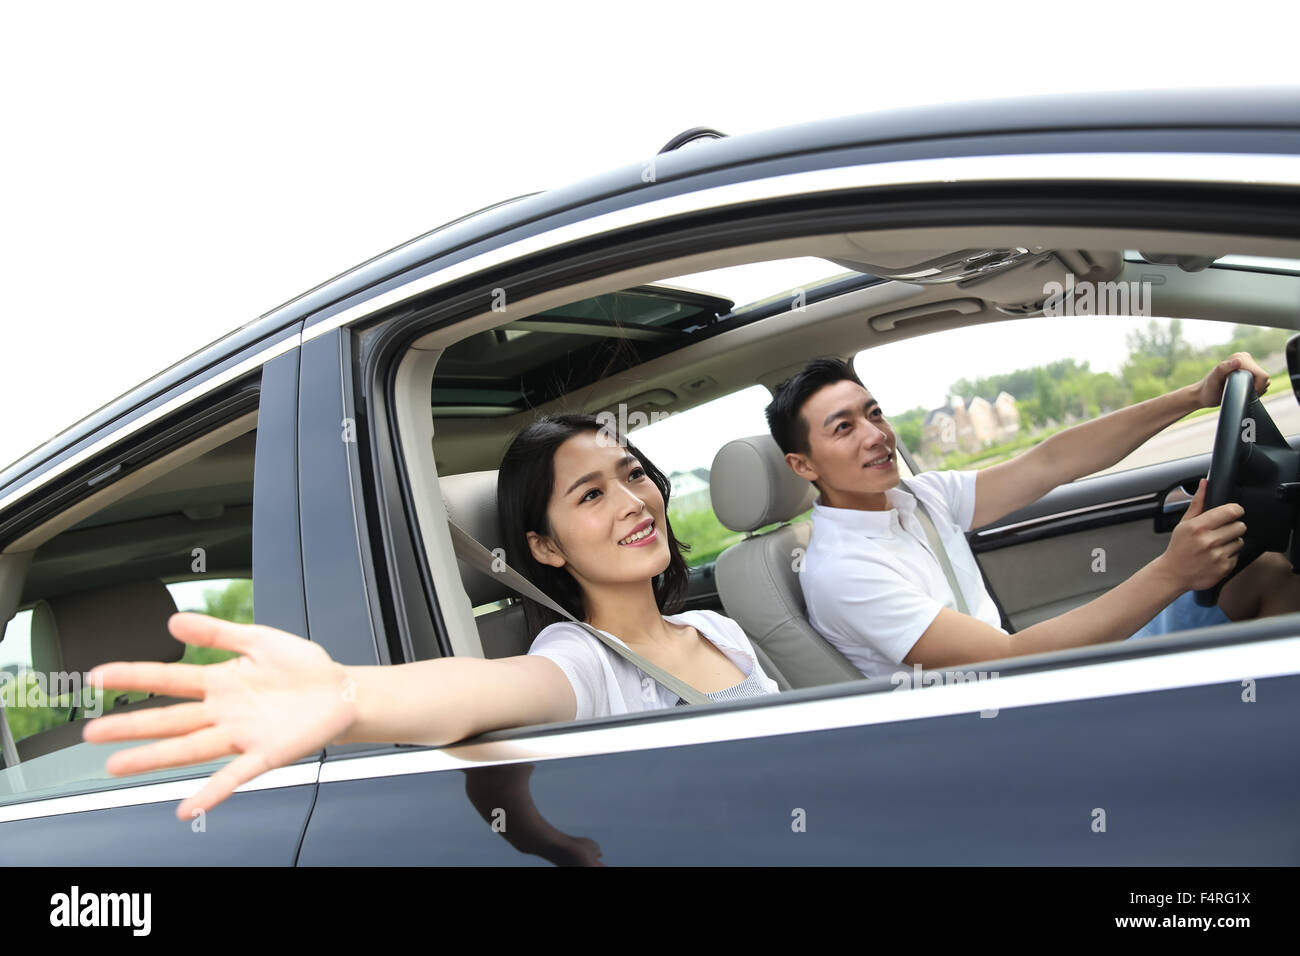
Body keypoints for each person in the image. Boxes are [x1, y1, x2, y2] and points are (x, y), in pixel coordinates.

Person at [82, 414, 777, 820]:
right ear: (544, 546)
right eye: (590, 495)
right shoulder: (580, 662)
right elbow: (485, 689)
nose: (632, 501)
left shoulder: (721, 631)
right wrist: (350, 697)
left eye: (632, 474)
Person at [765, 352, 1298, 681]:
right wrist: (1174, 570)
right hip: (1016, 713)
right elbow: (1010, 658)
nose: (876, 435)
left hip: (1037, 679)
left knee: (1264, 573)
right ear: (802, 464)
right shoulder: (842, 572)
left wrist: (1194, 396)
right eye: (843, 428)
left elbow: (1052, 462)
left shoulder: (918, 497)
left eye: (873, 413)